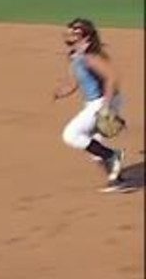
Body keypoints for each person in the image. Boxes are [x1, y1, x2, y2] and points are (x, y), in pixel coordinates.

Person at [53, 18, 126, 188]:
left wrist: (107, 106)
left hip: (103, 101)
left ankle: (112, 156)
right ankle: (116, 179)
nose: (70, 34)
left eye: (75, 32)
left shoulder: (91, 56)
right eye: (70, 30)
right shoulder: (74, 56)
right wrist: (62, 92)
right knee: (94, 146)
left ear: (86, 37)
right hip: (94, 103)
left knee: (71, 135)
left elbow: (111, 78)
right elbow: (74, 83)